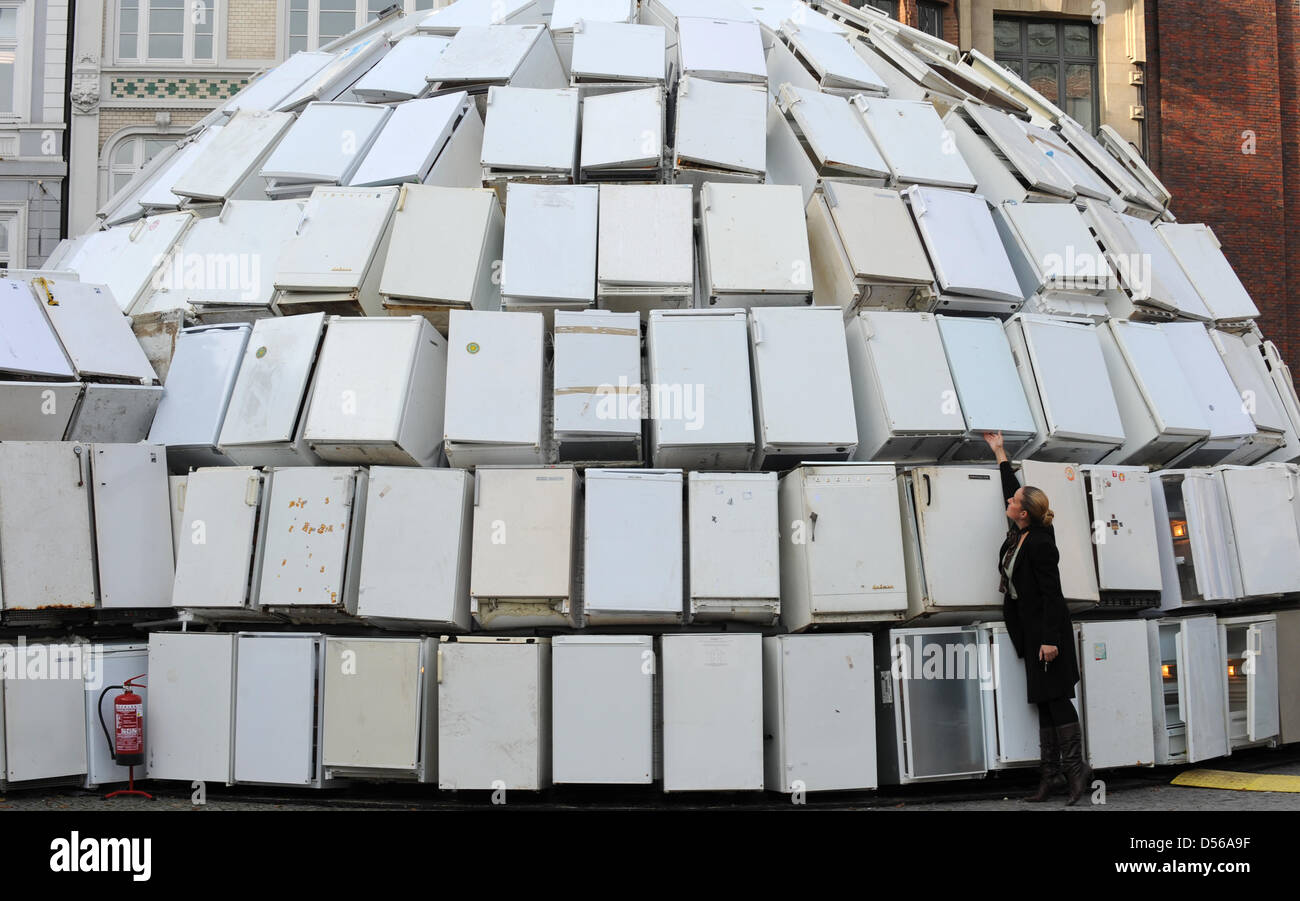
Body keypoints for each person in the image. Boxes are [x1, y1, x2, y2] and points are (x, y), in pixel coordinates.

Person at [984, 430, 1089, 805]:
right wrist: (1000, 454)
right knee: (1043, 701)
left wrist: (1049, 641)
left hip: (1048, 633)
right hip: (1031, 632)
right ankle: (1051, 776)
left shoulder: (1041, 542)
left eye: (1014, 502)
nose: (1009, 502)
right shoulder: (1020, 533)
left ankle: (1076, 772)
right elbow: (1012, 490)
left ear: (1024, 512)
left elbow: (1052, 596)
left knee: (1056, 698)